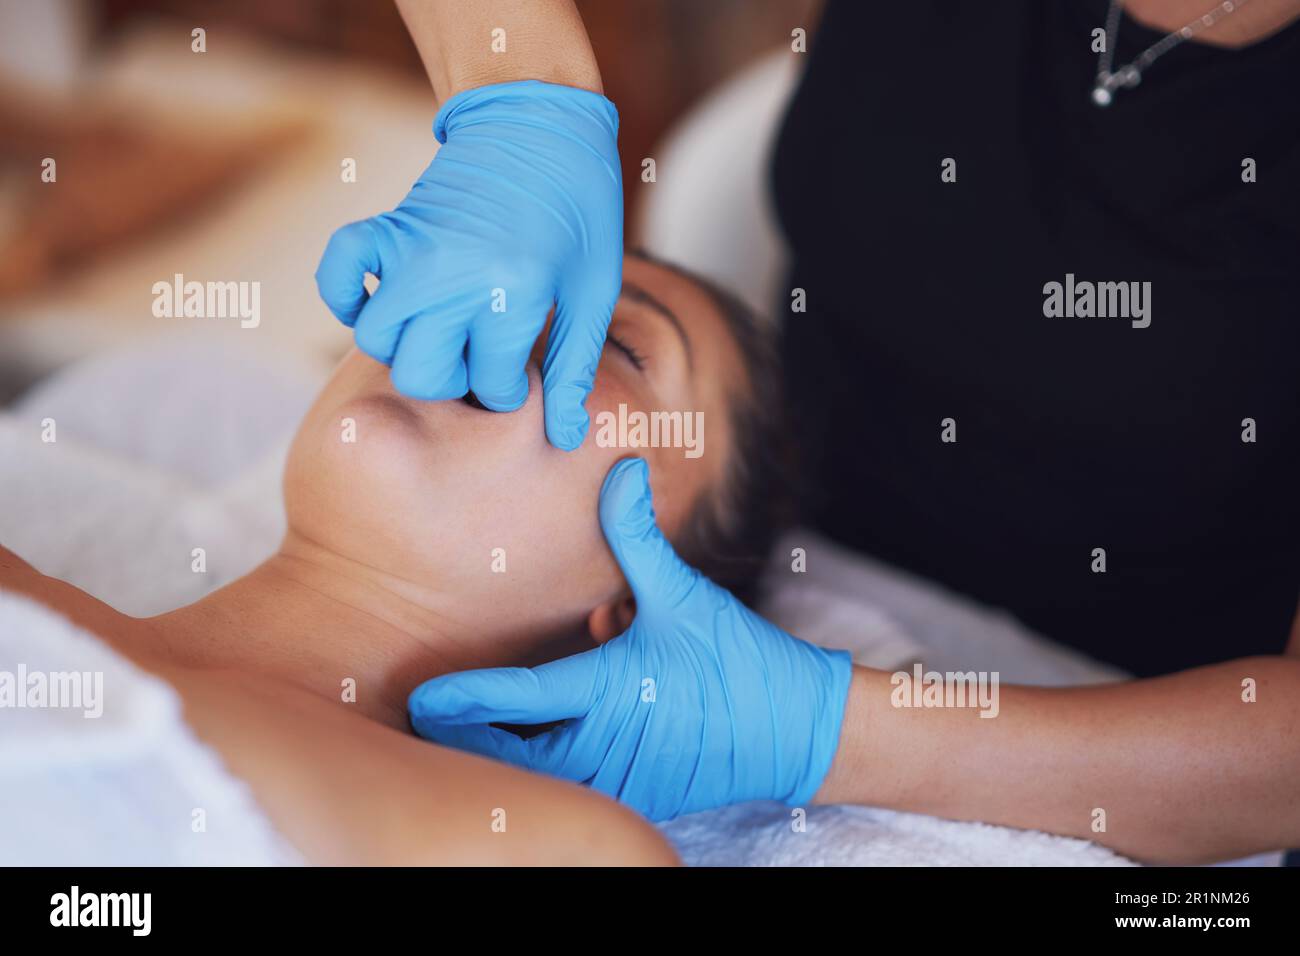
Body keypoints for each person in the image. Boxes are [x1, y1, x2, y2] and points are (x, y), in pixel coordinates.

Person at [360, 1, 1300, 864]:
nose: (512, 336)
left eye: (621, 347)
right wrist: (519, 96)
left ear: (624, 619)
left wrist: (826, 732)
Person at [1, 253, 789, 864]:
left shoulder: (557, 847)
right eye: (498, 280)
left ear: (636, 608)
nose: (506, 317)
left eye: (620, 345)